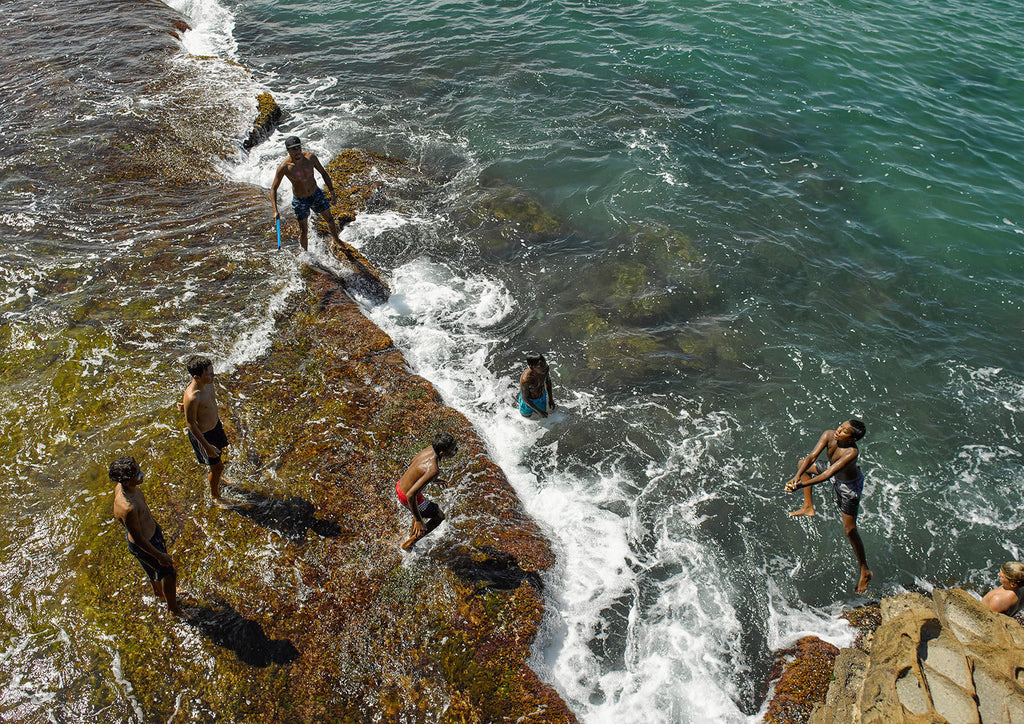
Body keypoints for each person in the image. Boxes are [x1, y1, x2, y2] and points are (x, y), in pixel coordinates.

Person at [784, 418, 873, 594]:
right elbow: (812, 457)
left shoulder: (851, 453)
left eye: (844, 431)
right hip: (831, 471)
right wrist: (797, 477)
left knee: (850, 530)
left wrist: (800, 485)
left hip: (848, 487)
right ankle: (808, 506)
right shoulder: (828, 434)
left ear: (852, 439)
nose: (839, 431)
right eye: (840, 427)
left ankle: (865, 570)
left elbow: (827, 475)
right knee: (803, 463)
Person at [110, 456, 181, 615]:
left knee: (153, 571)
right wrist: (159, 555)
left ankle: (160, 595)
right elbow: (139, 539)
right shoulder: (128, 508)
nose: (141, 473)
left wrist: (155, 526)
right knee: (169, 574)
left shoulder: (125, 488)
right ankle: (173, 610)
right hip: (146, 544)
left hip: (152, 535)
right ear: (127, 481)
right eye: (137, 473)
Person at [270, 136, 346, 252]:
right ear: (288, 151)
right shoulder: (284, 167)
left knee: (330, 219)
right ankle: (305, 254)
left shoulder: (310, 158)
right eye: (293, 149)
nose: (297, 151)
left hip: (316, 194)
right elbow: (274, 189)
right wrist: (275, 210)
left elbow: (324, 174)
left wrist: (332, 193)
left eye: (298, 148)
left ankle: (337, 240)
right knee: (304, 230)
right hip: (300, 200)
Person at [395, 433, 457, 550]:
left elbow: (414, 462)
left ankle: (411, 535)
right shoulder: (433, 469)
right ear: (442, 453)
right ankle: (408, 544)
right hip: (406, 495)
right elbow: (410, 495)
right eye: (453, 450)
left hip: (400, 485)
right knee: (439, 515)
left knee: (422, 507)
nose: (455, 451)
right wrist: (418, 520)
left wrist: (432, 479)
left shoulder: (429, 449)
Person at [182, 355, 229, 505]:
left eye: (212, 371)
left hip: (215, 427)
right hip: (204, 436)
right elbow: (191, 424)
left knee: (218, 458)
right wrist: (207, 447)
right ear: (196, 377)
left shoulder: (207, 383)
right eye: (209, 373)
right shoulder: (193, 396)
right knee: (217, 466)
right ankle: (215, 496)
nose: (212, 375)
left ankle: (218, 479)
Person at [519, 353, 555, 418]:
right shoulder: (526, 379)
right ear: (532, 367)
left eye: (544, 363)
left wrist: (551, 399)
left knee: (543, 416)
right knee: (526, 418)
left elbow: (548, 382)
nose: (544, 366)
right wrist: (539, 411)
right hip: (528, 401)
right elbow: (524, 398)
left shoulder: (545, 368)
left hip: (541, 397)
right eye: (541, 365)